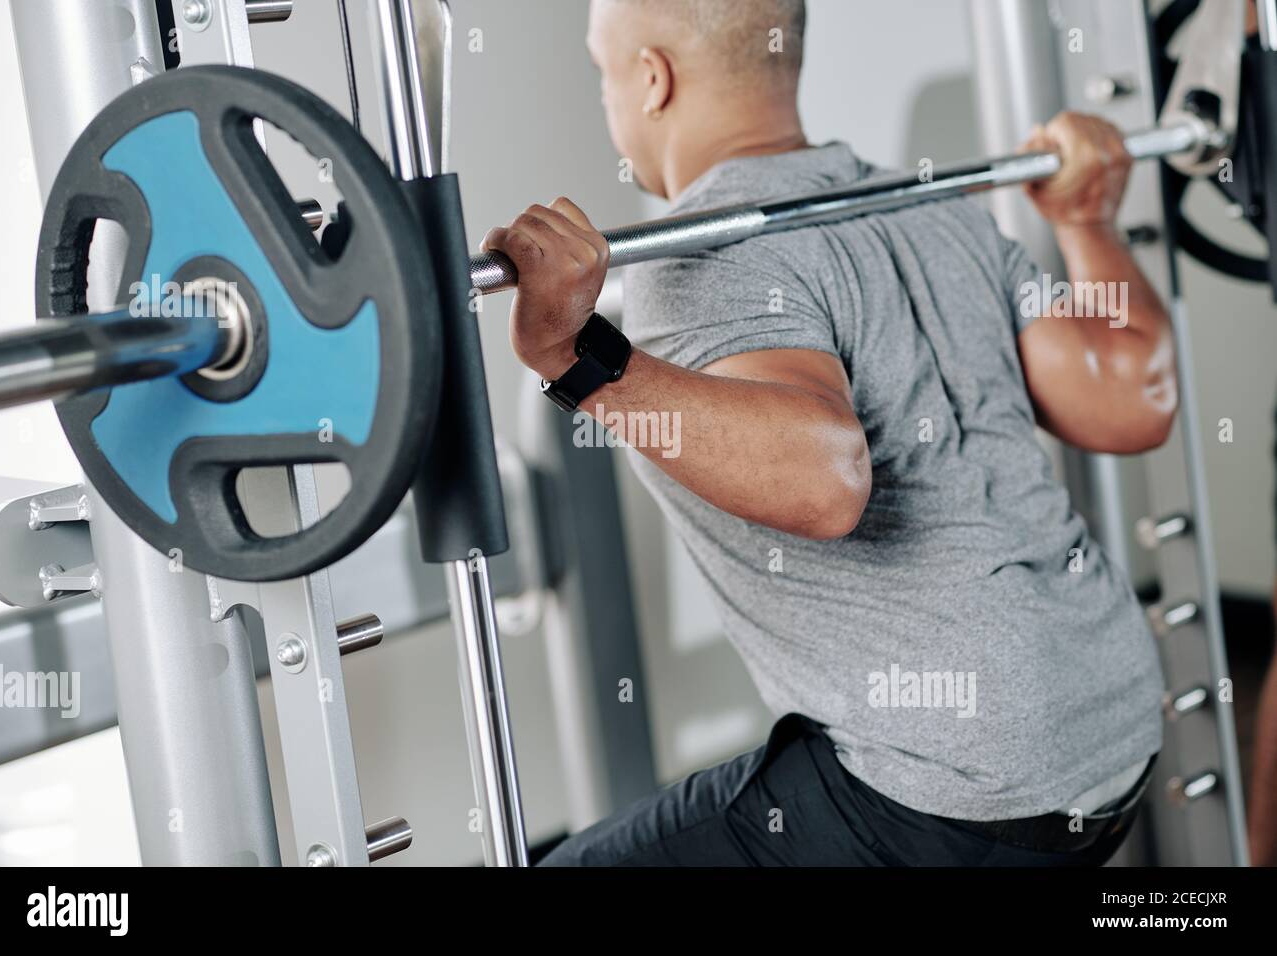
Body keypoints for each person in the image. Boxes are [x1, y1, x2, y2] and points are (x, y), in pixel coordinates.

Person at [484, 0, 1175, 866]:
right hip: (1113, 724)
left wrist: (571, 356)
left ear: (651, 79)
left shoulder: (699, 253)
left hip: (951, 787)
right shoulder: (933, 207)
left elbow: (825, 479)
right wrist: (1088, 220)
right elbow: (1132, 394)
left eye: (604, 72)